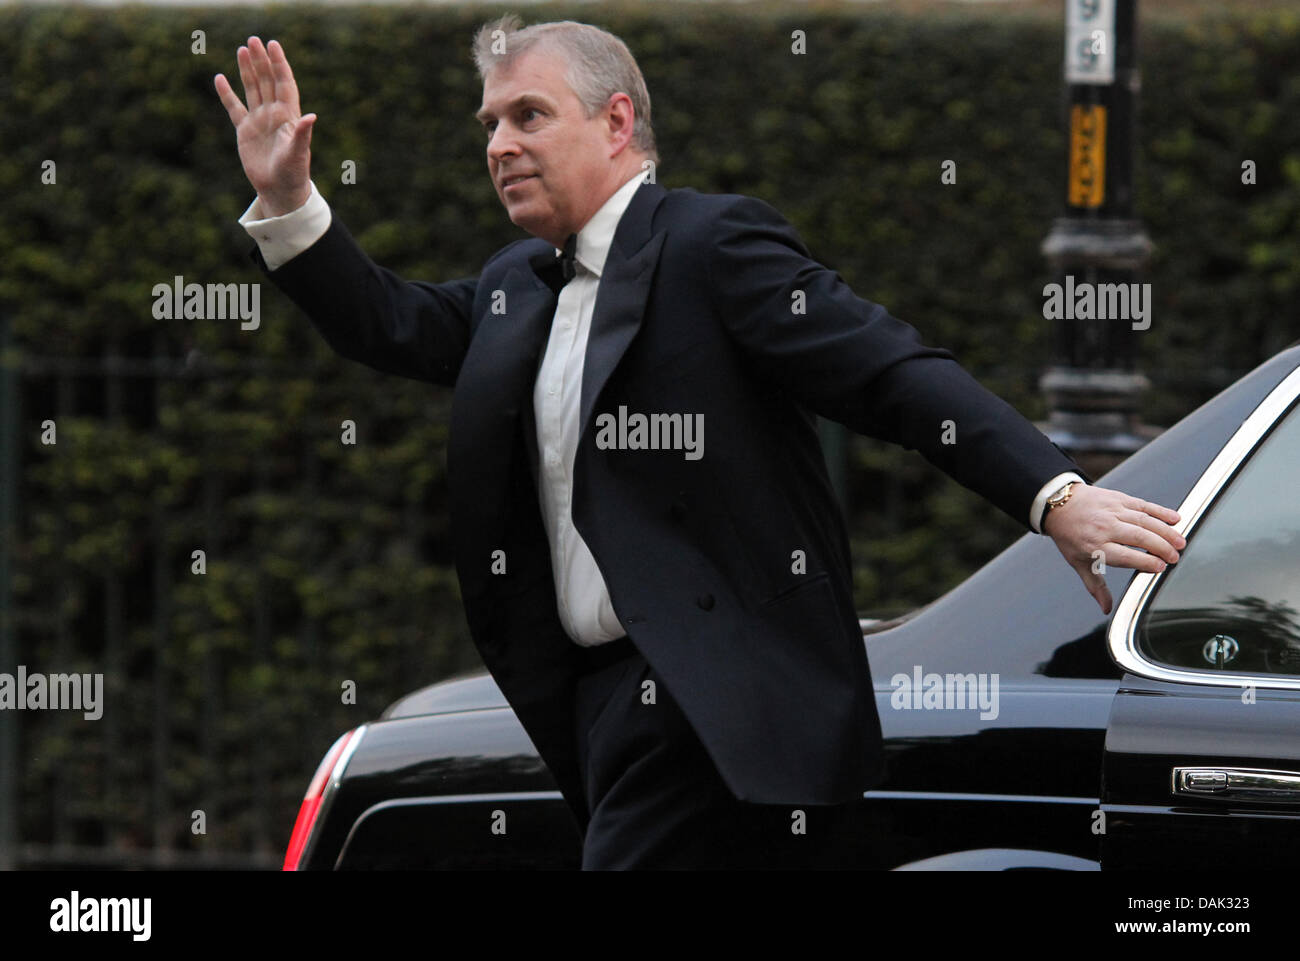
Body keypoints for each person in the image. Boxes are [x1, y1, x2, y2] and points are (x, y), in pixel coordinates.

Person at [214, 15, 1184, 869]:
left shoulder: (713, 246)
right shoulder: (517, 284)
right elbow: (388, 323)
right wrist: (292, 204)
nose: (499, 144)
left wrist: (1056, 498)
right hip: (601, 712)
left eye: (527, 116)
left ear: (618, 123)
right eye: (489, 126)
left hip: (704, 701)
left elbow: (890, 374)